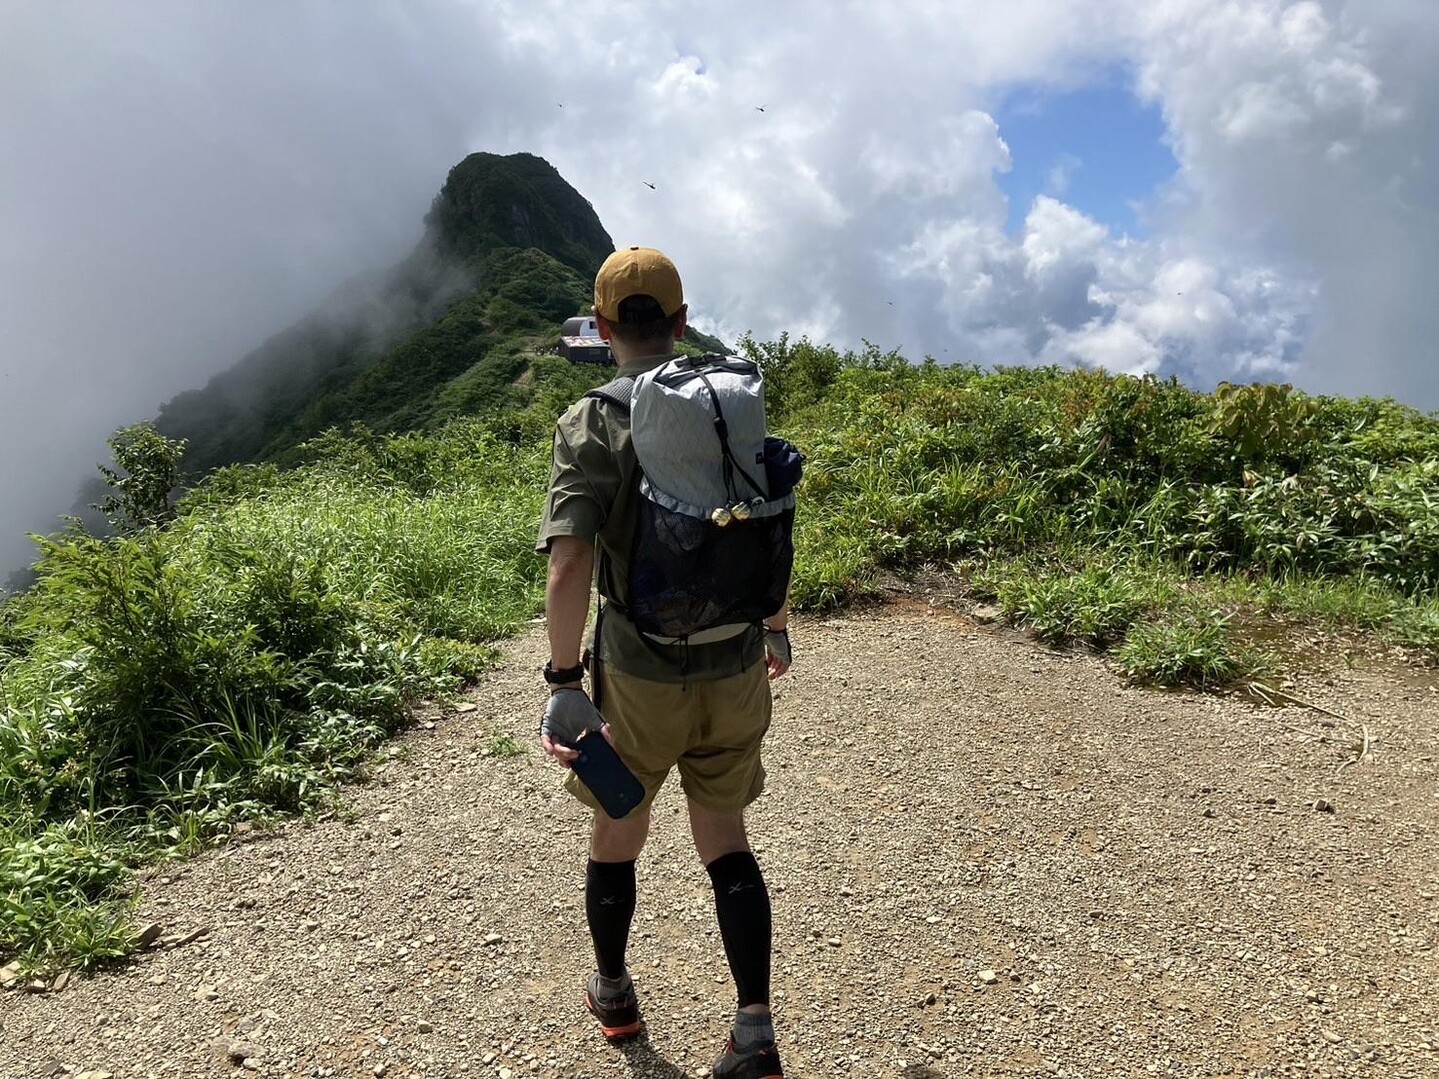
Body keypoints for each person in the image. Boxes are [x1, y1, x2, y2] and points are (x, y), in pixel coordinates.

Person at [535, 246, 792, 1079]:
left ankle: (613, 992)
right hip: (736, 660)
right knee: (725, 837)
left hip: (640, 672)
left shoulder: (591, 422)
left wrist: (563, 681)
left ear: (602, 329)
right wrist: (775, 629)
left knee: (619, 827)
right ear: (680, 323)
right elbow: (763, 527)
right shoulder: (728, 406)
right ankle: (753, 1029)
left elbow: (569, 563)